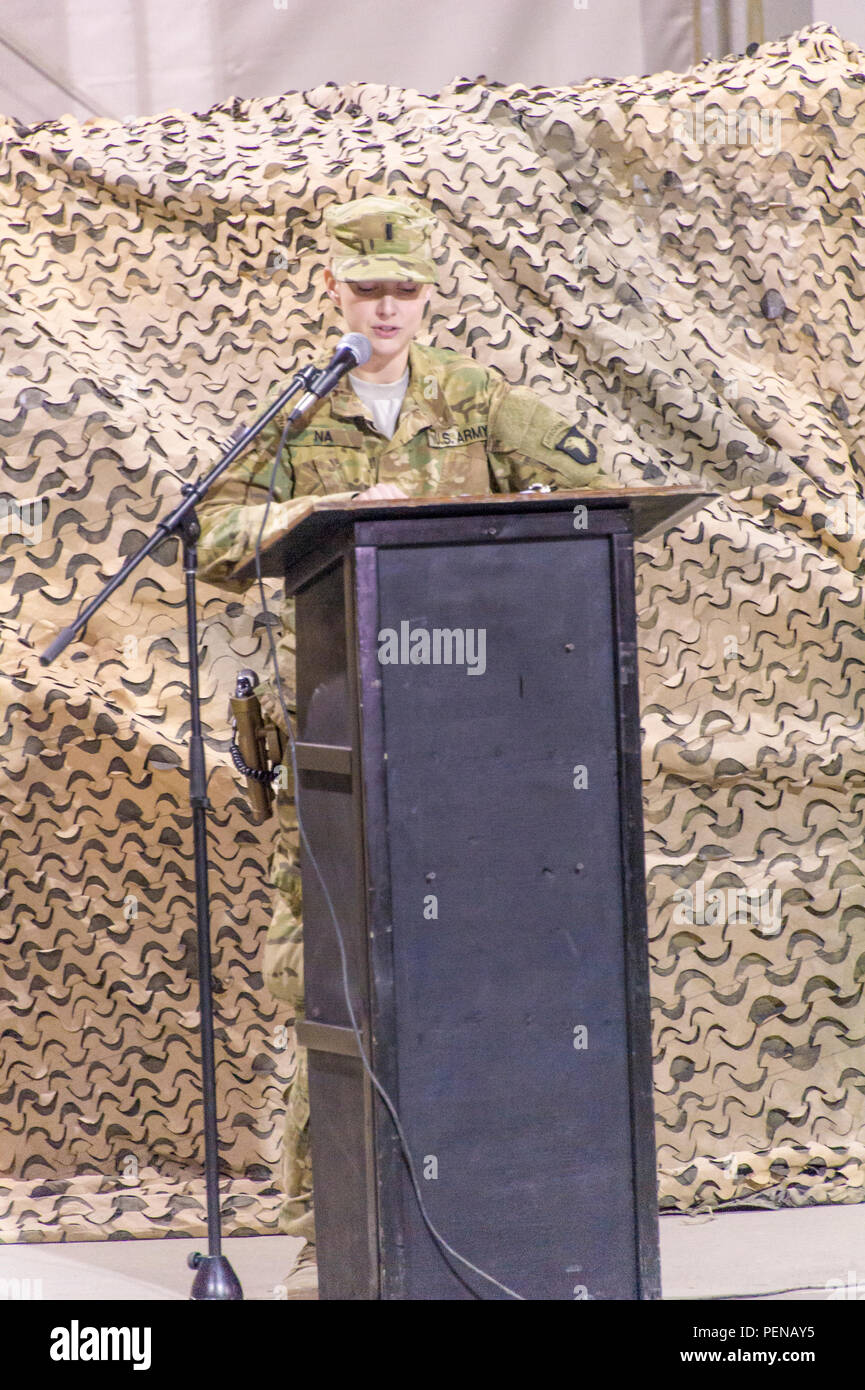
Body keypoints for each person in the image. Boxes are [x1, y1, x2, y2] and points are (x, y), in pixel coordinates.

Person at [195, 191, 607, 1288]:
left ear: (430, 293)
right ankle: (329, 1244)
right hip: (342, 740)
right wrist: (304, 517)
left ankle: (496, 1218)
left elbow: (590, 498)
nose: (386, 306)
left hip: (478, 750)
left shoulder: (477, 401)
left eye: (404, 288)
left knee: (476, 977)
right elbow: (213, 535)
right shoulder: (297, 413)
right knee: (327, 988)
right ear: (331, 288)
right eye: (366, 286)